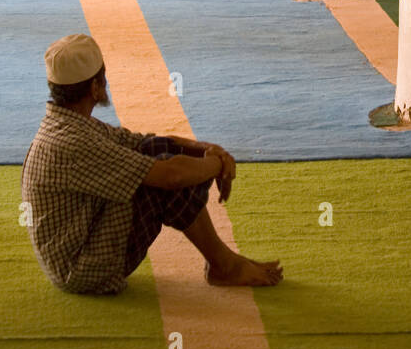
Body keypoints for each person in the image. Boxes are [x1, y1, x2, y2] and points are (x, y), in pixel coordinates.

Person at [21, 33, 283, 295]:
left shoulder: (67, 123)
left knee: (161, 152)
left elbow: (147, 142)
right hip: (80, 269)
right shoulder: (74, 142)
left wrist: (209, 150)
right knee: (168, 176)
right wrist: (218, 164)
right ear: (95, 87)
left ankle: (223, 263)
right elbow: (171, 177)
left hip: (83, 240)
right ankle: (224, 266)